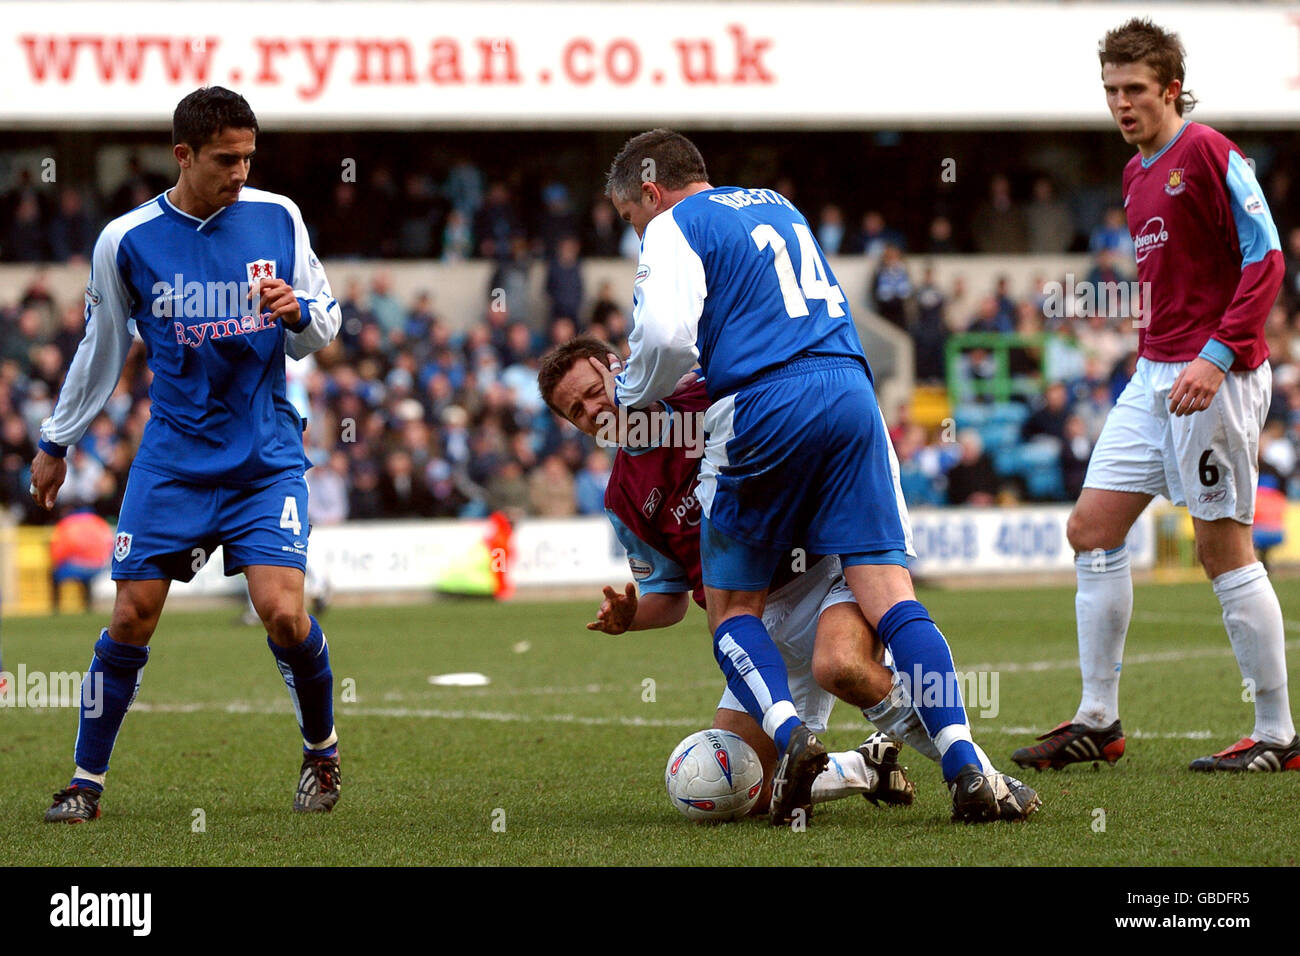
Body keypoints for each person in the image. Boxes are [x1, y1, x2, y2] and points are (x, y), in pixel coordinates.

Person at [602, 130, 1007, 825]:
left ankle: (795, 737)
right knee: (891, 595)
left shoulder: (673, 224)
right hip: (850, 389)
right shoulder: (779, 207)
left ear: (650, 190)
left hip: (764, 400)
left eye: (629, 216)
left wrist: (633, 393)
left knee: (731, 608)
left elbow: (667, 338)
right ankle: (967, 761)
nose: (636, 230)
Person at [537, 336, 1040, 821]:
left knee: (840, 666)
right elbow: (666, 599)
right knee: (743, 791)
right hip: (756, 628)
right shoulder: (622, 498)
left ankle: (981, 775)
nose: (593, 409)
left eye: (593, 390)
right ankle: (864, 767)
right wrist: (630, 618)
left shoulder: (707, 393)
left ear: (616, 366)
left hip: (823, 573)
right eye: (577, 410)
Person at [30, 87, 344, 822]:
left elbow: (324, 322)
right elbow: (100, 349)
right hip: (172, 458)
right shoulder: (127, 240)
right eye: (225, 159)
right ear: (184, 155)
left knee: (284, 617)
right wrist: (57, 440)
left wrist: (297, 312)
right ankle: (85, 782)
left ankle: (321, 754)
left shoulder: (279, 216)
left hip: (264, 452)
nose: (240, 172)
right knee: (133, 615)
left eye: (248, 158)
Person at [1013, 19, 1298, 774]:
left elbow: (1266, 257)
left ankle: (1277, 733)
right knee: (1092, 529)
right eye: (1111, 91)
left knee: (1220, 547)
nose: (1121, 104)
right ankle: (1098, 720)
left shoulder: (1209, 151)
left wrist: (1217, 352)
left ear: (1171, 87)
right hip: (1154, 373)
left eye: (1134, 89)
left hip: (1217, 373)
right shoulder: (1135, 174)